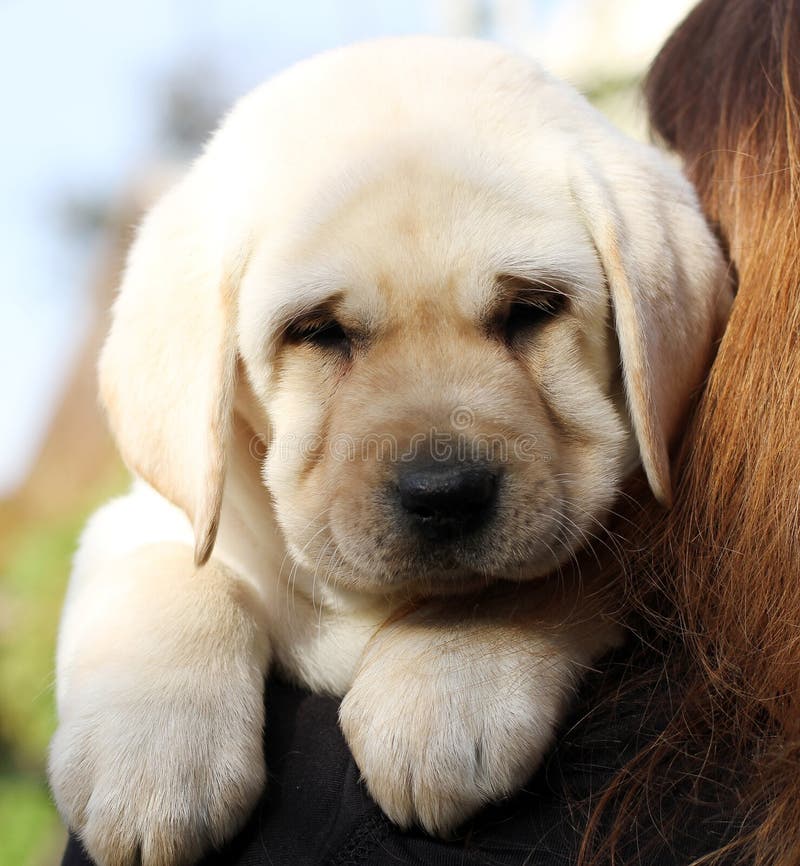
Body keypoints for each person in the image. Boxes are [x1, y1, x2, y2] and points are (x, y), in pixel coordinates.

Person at [62, 0, 800, 862]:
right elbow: (141, 537)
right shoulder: (197, 433)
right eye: (323, 333)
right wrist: (162, 647)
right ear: (206, 370)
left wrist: (528, 621)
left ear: (653, 315)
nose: (441, 469)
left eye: (527, 312)